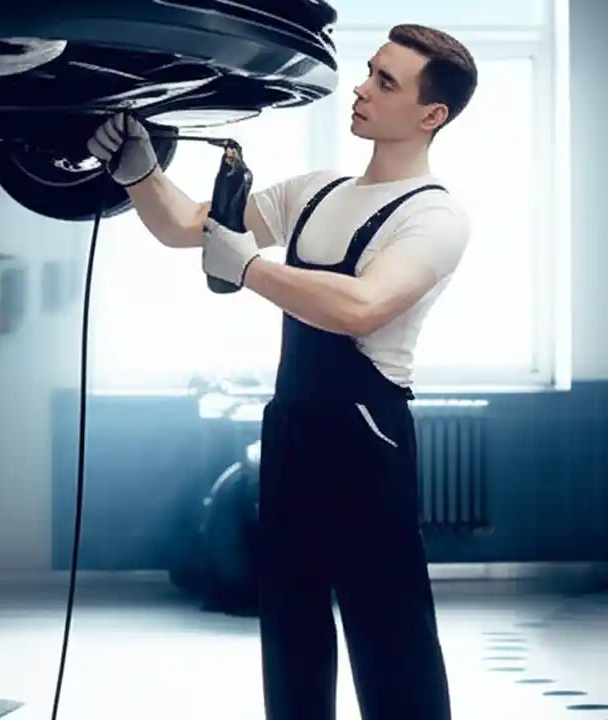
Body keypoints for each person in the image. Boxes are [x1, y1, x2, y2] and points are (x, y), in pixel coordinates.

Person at [87, 23, 478, 720]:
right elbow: (190, 230)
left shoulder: (435, 216)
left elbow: (361, 306)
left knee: (387, 625)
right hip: (291, 425)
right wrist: (141, 173)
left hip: (367, 436)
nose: (360, 88)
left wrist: (250, 266)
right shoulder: (316, 190)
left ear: (431, 115)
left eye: (385, 83)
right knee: (289, 618)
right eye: (369, 71)